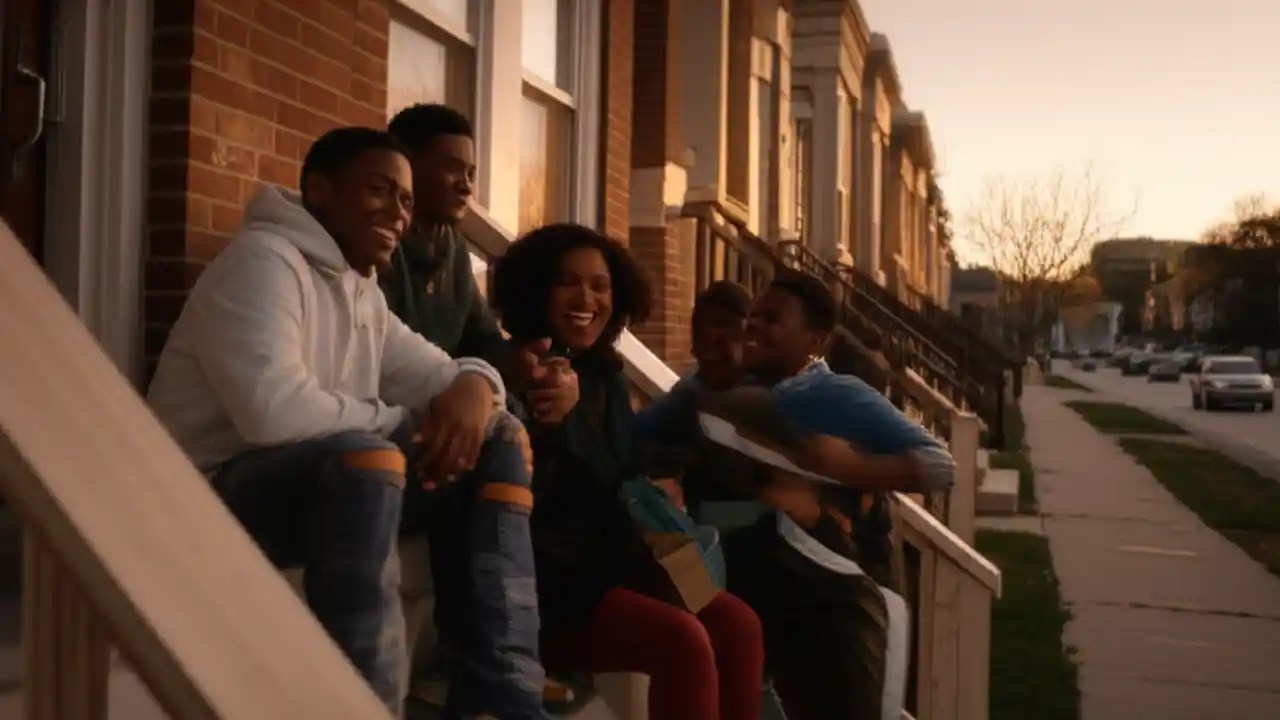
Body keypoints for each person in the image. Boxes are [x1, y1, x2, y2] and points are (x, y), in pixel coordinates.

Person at [146, 127, 547, 718]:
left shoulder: (363, 290)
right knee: (367, 456)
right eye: (379, 190)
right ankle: (363, 705)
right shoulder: (262, 262)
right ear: (321, 190)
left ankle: (501, 695)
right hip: (204, 492)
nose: (397, 211)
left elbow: (438, 372)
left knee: (498, 436)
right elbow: (273, 411)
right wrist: (405, 422)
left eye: (407, 200)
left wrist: (476, 385)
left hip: (318, 484)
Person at [490, 223, 765, 720]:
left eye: (600, 285)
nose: (586, 298)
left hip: (616, 561)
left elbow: (620, 470)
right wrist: (564, 420)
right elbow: (556, 490)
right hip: (550, 583)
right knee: (683, 641)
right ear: (536, 290)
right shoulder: (524, 370)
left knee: (738, 623)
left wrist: (659, 483)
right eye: (567, 282)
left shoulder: (606, 377)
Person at [718, 270, 956, 720]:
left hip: (838, 593)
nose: (754, 325)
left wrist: (843, 467)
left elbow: (939, 466)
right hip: (769, 589)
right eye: (753, 315)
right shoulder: (740, 389)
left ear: (815, 341)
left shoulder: (836, 393)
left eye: (772, 318)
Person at [383, 103, 578, 424]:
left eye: (470, 174)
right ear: (405, 166)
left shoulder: (452, 246)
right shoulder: (377, 243)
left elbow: (482, 341)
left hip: (451, 400)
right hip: (397, 412)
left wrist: (529, 365)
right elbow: (385, 357)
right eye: (452, 169)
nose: (466, 186)